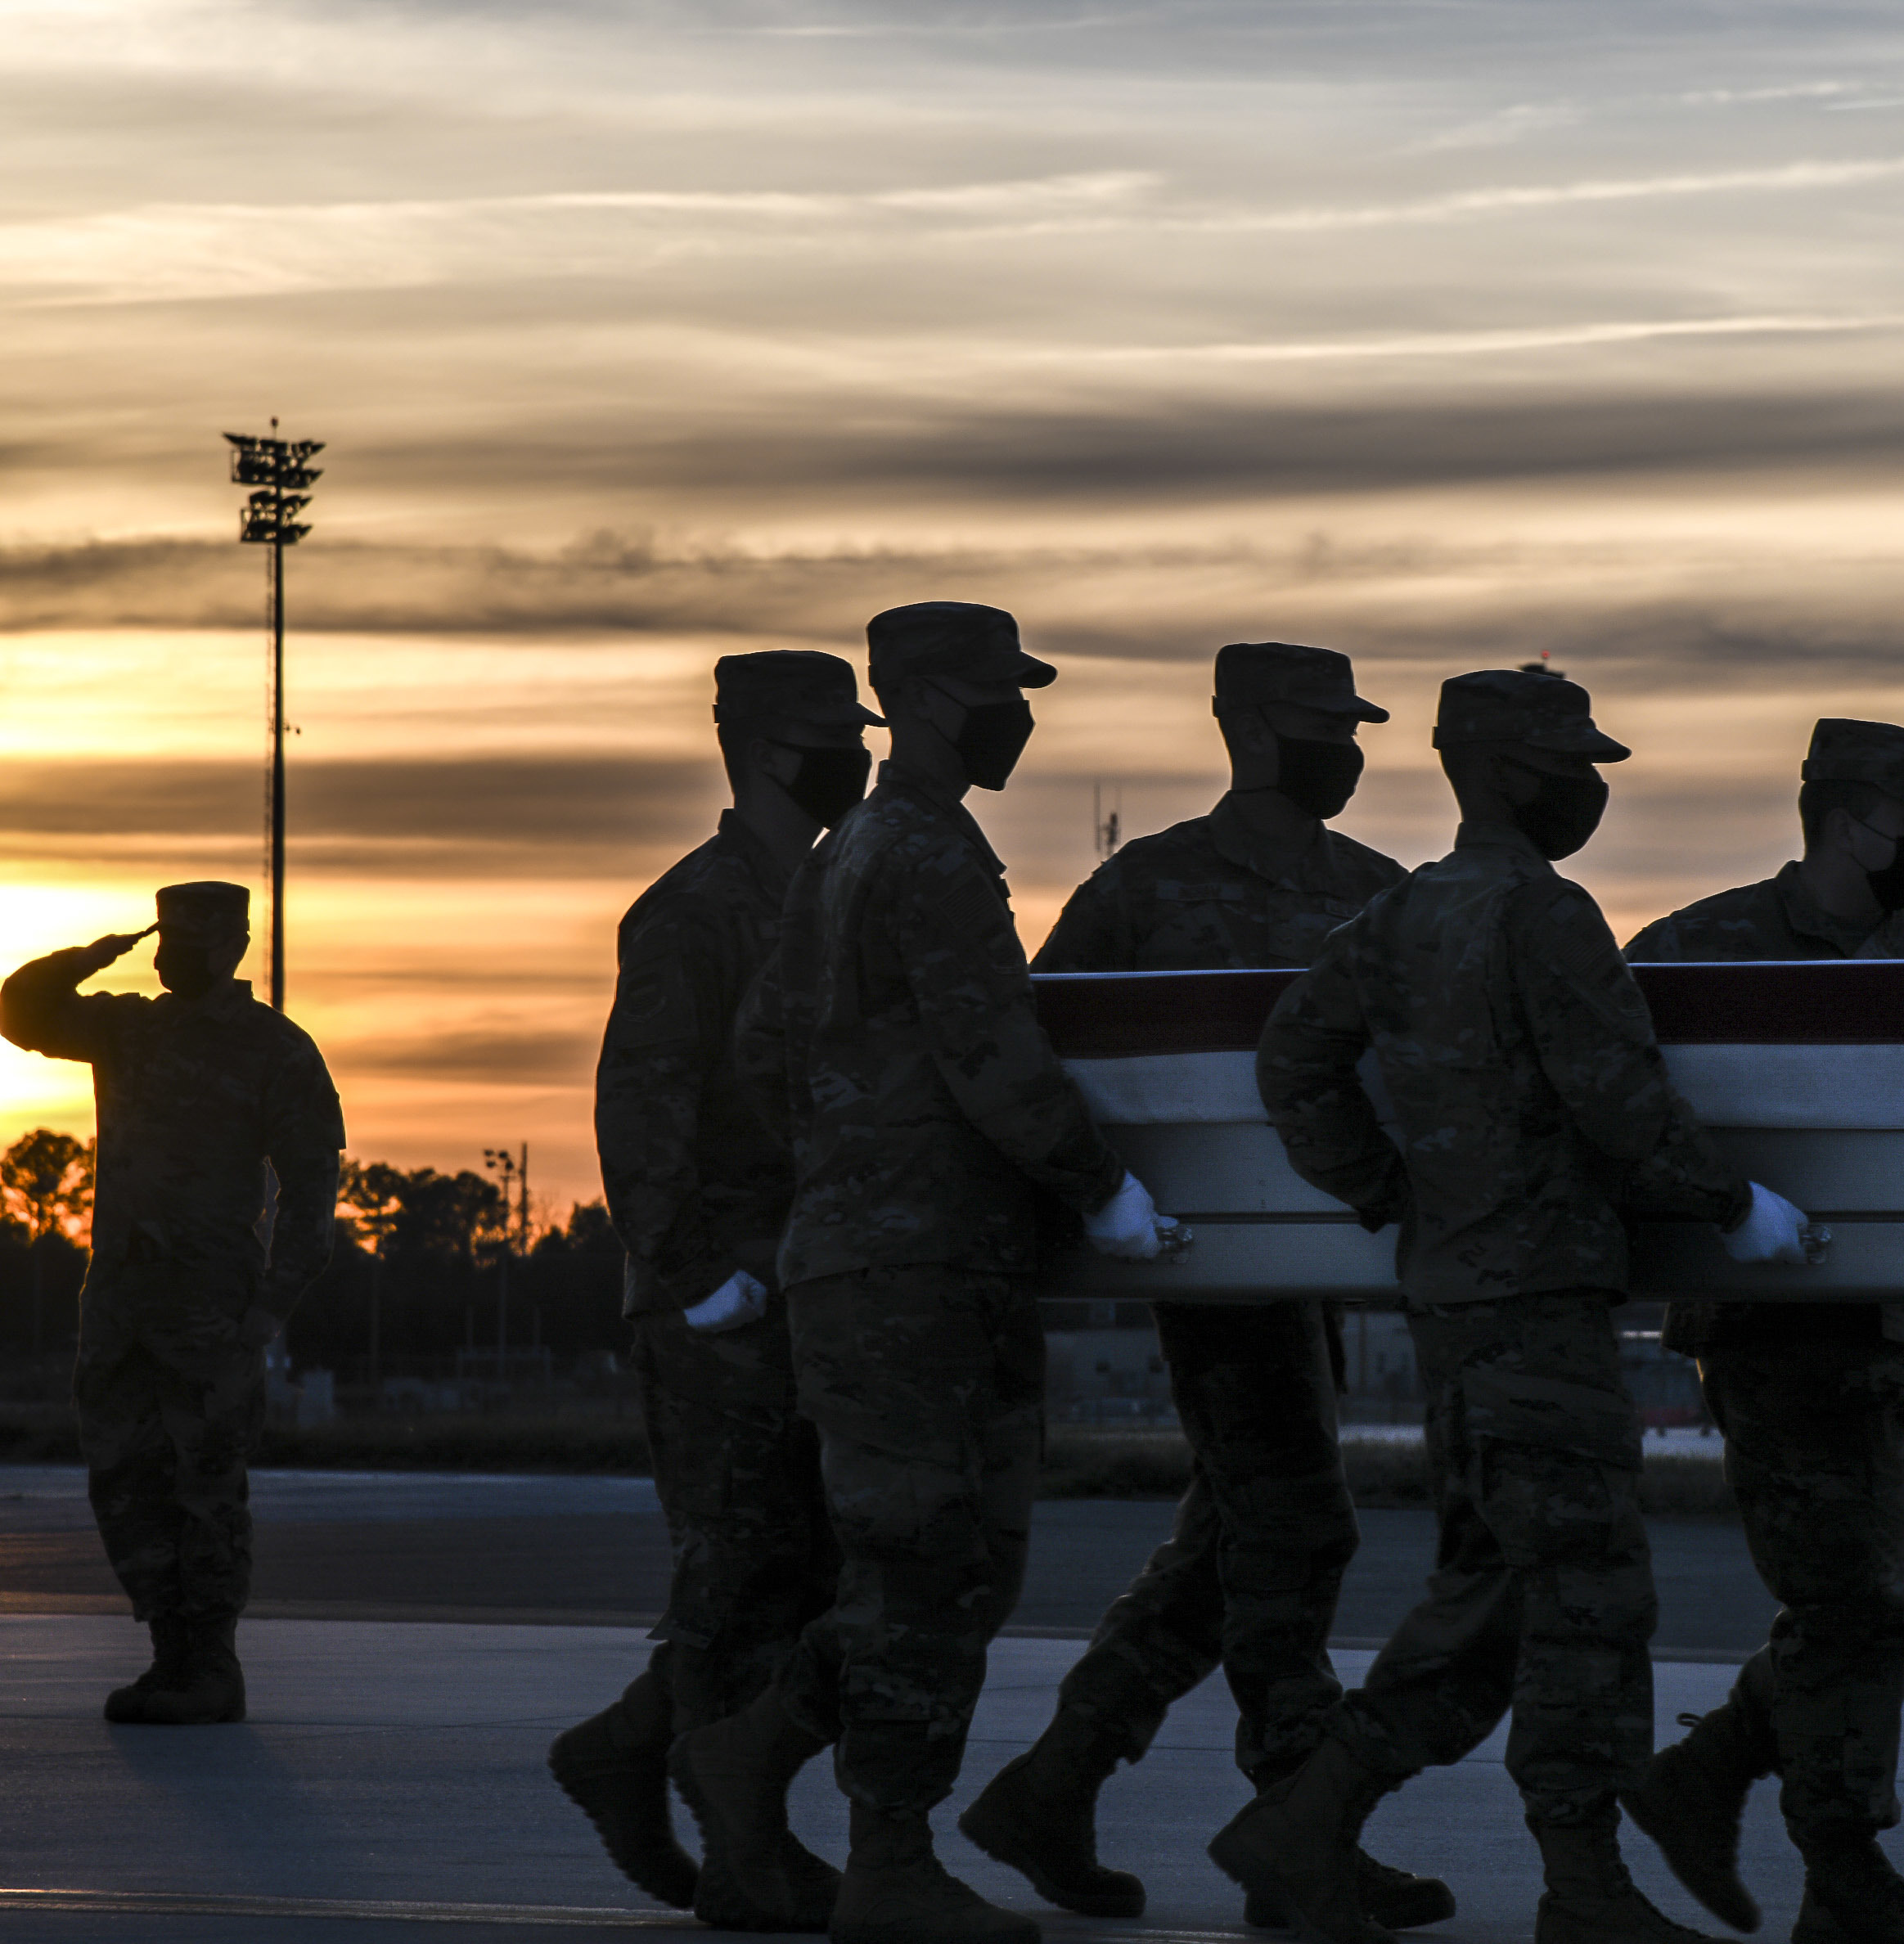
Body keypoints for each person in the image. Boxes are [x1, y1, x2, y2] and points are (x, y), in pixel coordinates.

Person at [1231, 665, 1809, 1944]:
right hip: (1540, 1303)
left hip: (1457, 1299)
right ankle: (1581, 1885)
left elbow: (1292, 1059)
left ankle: (1305, 1825)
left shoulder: (1396, 914)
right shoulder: (1543, 912)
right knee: (1588, 1596)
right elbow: (1617, 1095)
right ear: (1498, 769)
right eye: (1571, 766)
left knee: (1493, 1591)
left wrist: (1392, 1193)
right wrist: (1732, 1206)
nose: (1588, 789)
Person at [673, 601, 1181, 1944]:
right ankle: (887, 1859)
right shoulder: (932, 852)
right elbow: (993, 1055)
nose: (1021, 716)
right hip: (919, 1272)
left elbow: (764, 1052)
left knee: (950, 1564)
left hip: (880, 1258)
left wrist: (842, 1164)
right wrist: (1101, 1186)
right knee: (925, 1569)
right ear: (940, 700)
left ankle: (754, 1752)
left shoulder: (845, 852)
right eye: (1004, 693)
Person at [962, 642, 1453, 1933]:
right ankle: (1295, 1816)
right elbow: (1045, 1049)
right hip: (1207, 1264)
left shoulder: (1375, 892)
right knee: (1294, 1522)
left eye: (1355, 727)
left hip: (1323, 1262)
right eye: (1324, 725)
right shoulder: (1143, 889)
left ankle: (1056, 1785)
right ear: (1249, 729)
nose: (1346, 749)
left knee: (1235, 1536)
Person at [1618, 720, 1904, 1944]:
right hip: (1784, 1331)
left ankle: (1712, 1767)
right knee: (1855, 1602)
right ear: (1845, 821)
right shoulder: (1695, 951)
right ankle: (1842, 1868)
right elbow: (1620, 1100)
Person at [547, 651, 880, 1914]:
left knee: (803, 1575)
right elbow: (641, 1107)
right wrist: (694, 1279)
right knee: (740, 1570)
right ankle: (747, 1851)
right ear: (762, 750)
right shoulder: (694, 910)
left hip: (817, 1289)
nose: (854, 757)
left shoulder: (836, 892)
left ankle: (632, 1748)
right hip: (724, 1301)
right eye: (832, 737)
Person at [0, 880, 344, 1726]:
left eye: (194, 940)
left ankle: (211, 1663)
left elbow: (311, 1190)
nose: (172, 955)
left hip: (210, 1301)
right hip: (121, 1296)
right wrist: (96, 951)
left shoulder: (275, 1049)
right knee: (124, 1478)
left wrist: (271, 1306)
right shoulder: (127, 1027)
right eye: (166, 939)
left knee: (207, 1484)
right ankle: (168, 1654)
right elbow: (20, 1012)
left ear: (235, 946)